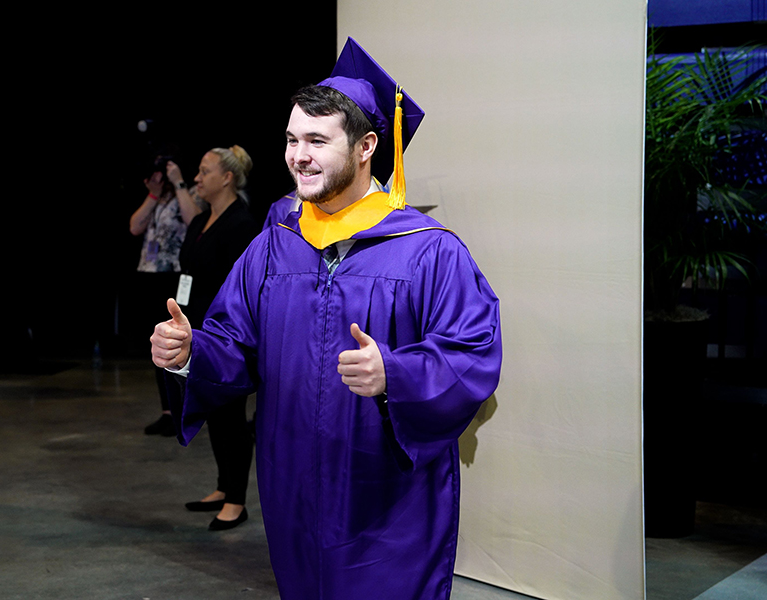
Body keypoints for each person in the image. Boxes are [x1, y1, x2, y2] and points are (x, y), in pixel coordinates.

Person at [151, 38, 502, 599]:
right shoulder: (274, 246)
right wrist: (193, 352)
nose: (298, 156)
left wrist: (396, 373)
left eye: (317, 140)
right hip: (294, 483)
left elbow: (472, 352)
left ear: (366, 147)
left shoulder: (428, 250)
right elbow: (235, 342)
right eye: (292, 140)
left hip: (387, 493)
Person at [175, 146, 259, 530]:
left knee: (230, 418)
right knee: (212, 412)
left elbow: (243, 286)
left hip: (228, 334)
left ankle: (237, 501)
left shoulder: (242, 224)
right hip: (199, 332)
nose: (197, 178)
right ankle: (224, 487)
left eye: (204, 171)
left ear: (227, 178)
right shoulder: (201, 221)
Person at [130, 153, 201, 436]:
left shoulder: (190, 192)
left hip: (176, 274)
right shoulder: (157, 198)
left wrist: (178, 183)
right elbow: (135, 226)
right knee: (158, 345)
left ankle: (184, 409)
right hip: (151, 274)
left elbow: (194, 221)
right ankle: (167, 411)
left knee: (177, 344)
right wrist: (153, 193)